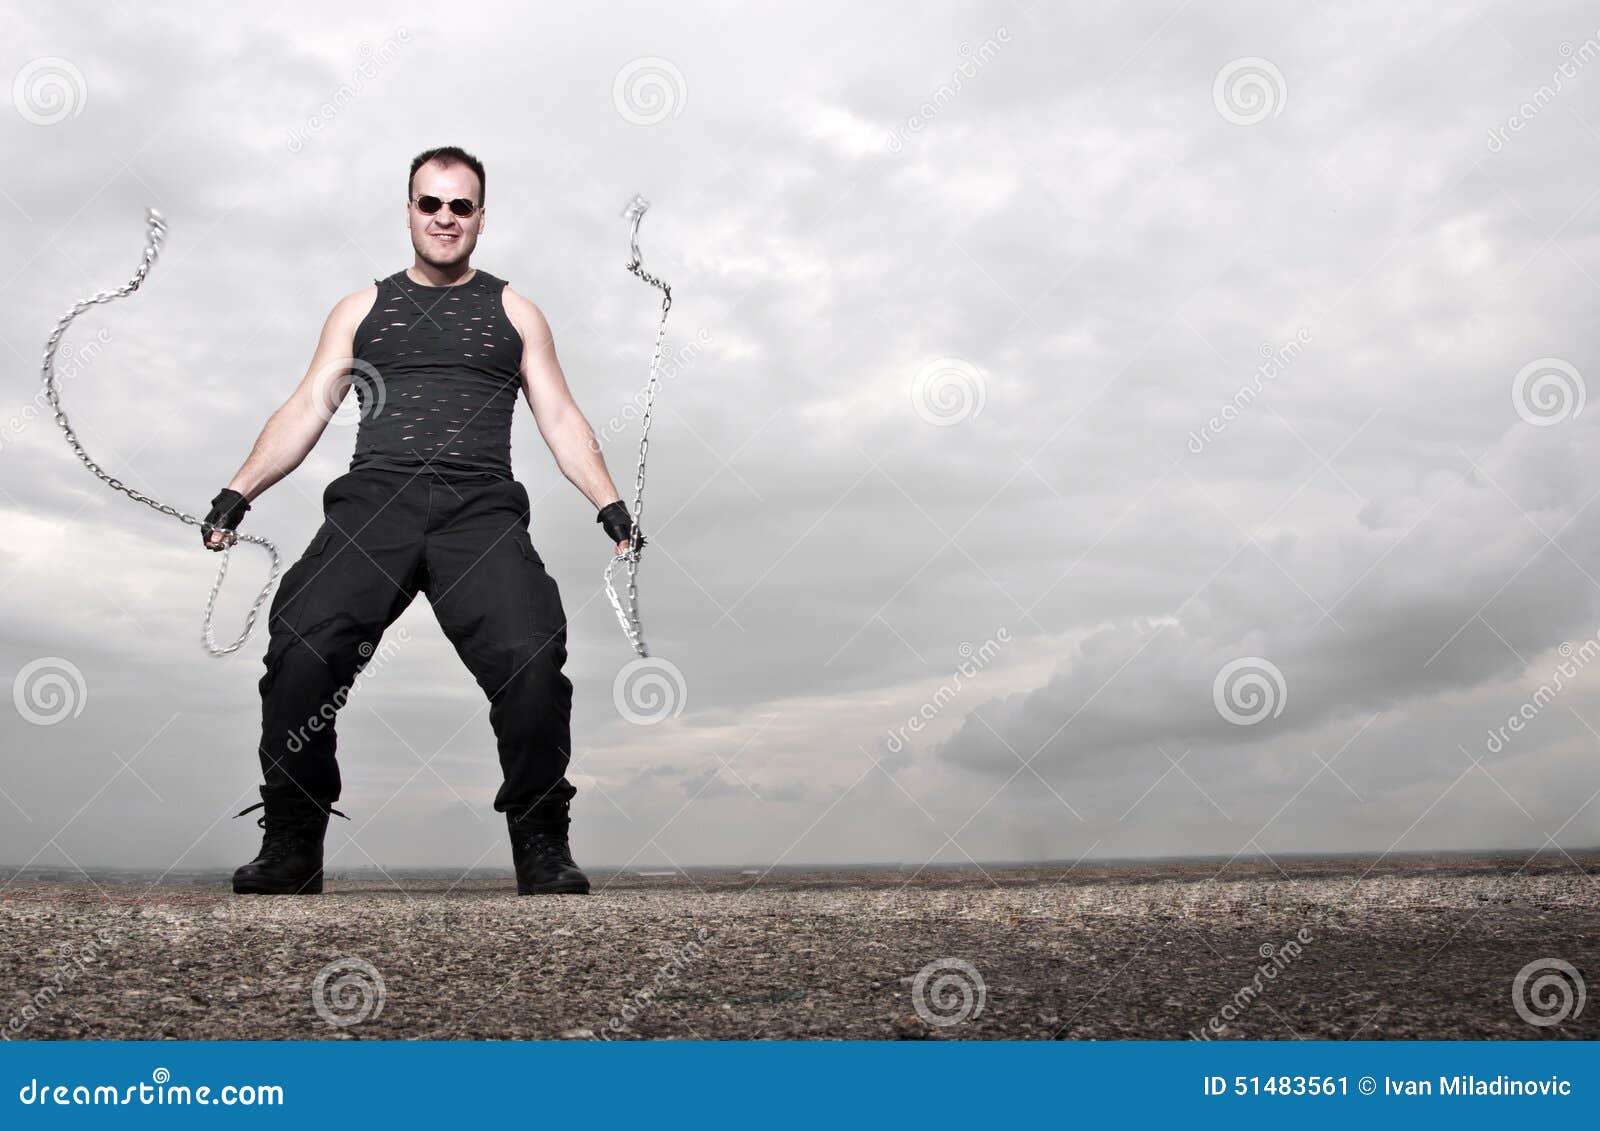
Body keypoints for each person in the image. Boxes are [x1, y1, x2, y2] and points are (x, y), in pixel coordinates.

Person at [203, 146, 642, 897]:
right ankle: (292, 840)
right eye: (430, 203)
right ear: (409, 209)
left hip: (480, 506)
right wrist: (238, 491)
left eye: (460, 205)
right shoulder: (360, 309)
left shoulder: (515, 311)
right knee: (304, 648)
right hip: (377, 501)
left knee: (532, 655)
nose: (445, 217)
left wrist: (608, 503)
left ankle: (541, 840)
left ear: (480, 217)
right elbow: (309, 406)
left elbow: (561, 416)